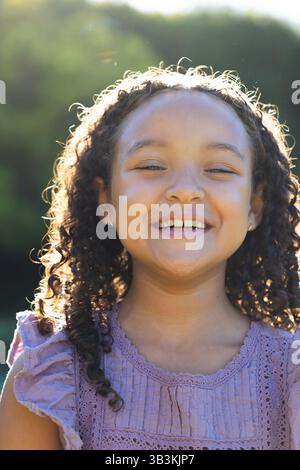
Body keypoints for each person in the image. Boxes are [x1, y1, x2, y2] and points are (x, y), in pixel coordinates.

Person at [0, 63, 300, 450]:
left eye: (219, 168)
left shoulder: (289, 374)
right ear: (105, 198)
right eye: (152, 165)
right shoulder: (48, 378)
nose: (184, 190)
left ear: (255, 206)